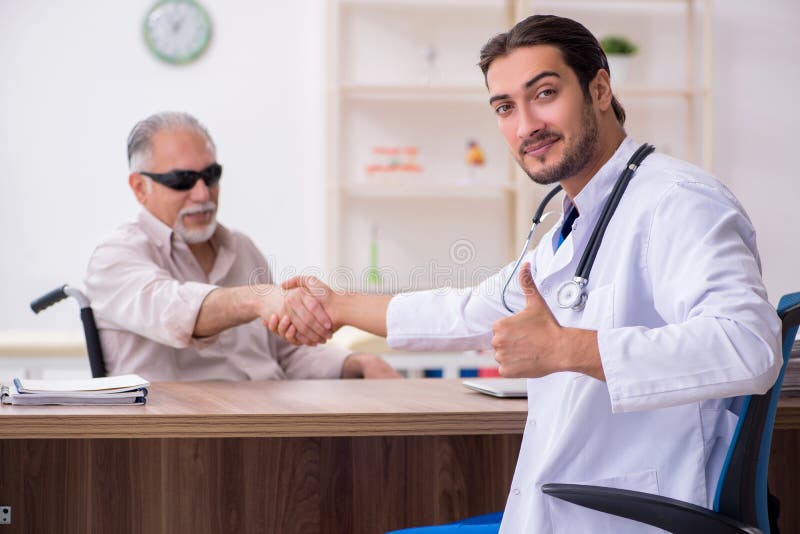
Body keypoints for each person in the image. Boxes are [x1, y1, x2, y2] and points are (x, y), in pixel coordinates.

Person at [268, 15, 782, 533]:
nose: (525, 126)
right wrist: (335, 306)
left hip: (632, 513)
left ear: (599, 88)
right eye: (505, 107)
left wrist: (566, 349)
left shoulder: (677, 201)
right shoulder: (574, 225)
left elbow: (748, 346)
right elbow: (468, 309)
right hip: (577, 505)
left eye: (545, 93)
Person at [85, 111, 398, 381]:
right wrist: (255, 299)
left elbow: (284, 355)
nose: (202, 194)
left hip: (267, 422)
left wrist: (355, 363)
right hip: (178, 438)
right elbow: (174, 310)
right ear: (140, 188)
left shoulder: (242, 249)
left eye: (211, 175)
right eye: (182, 180)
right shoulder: (115, 257)